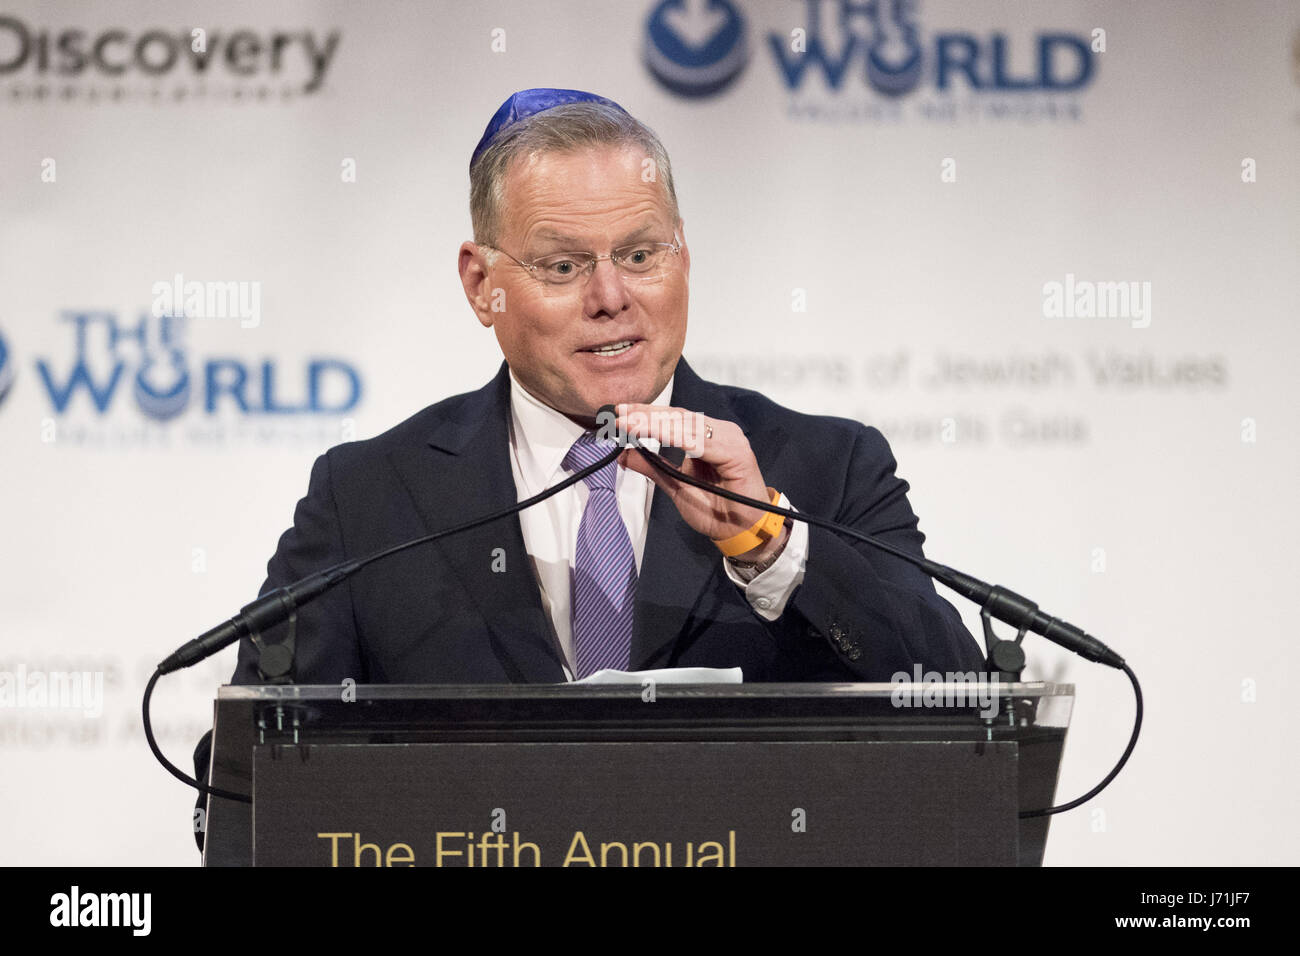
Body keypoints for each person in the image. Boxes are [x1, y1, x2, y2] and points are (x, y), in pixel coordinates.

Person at [194, 90, 984, 841]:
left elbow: (963, 711)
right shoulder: (370, 496)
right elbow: (251, 778)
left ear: (683, 255)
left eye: (640, 254)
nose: (612, 296)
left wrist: (771, 545)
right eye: (563, 266)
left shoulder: (826, 465)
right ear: (482, 284)